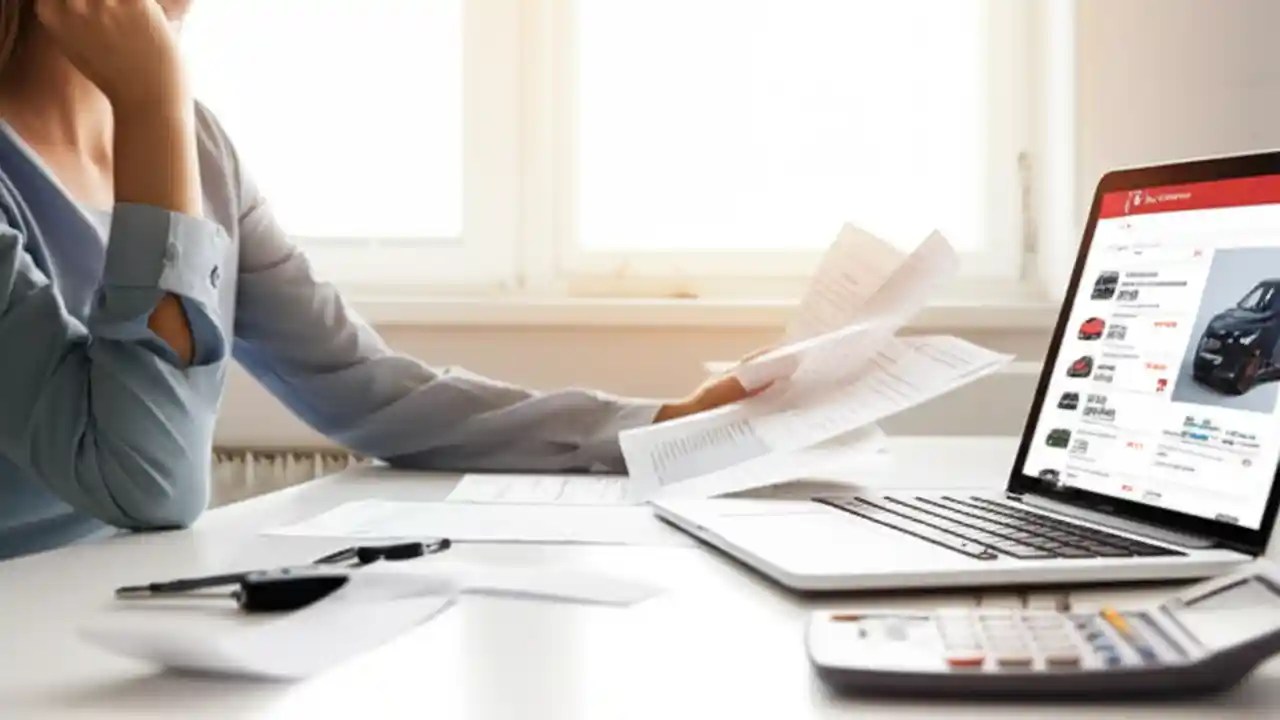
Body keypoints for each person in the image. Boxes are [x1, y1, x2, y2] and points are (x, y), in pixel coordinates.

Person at [0, 0, 755, 560]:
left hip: (115, 609)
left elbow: (361, 385)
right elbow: (150, 483)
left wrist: (653, 426)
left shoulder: (193, 143)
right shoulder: (162, 121)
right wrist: (150, 99)